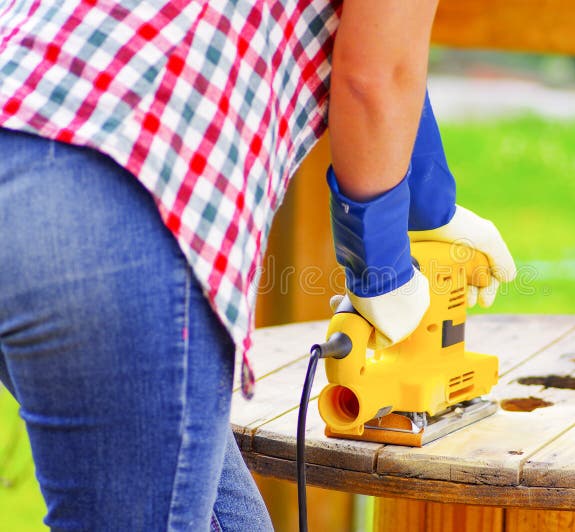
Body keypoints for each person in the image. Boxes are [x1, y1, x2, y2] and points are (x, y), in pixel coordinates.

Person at [0, 1, 514, 530]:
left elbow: (381, 45)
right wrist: (380, 272)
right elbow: (375, 77)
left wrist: (431, 211)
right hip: (112, 194)